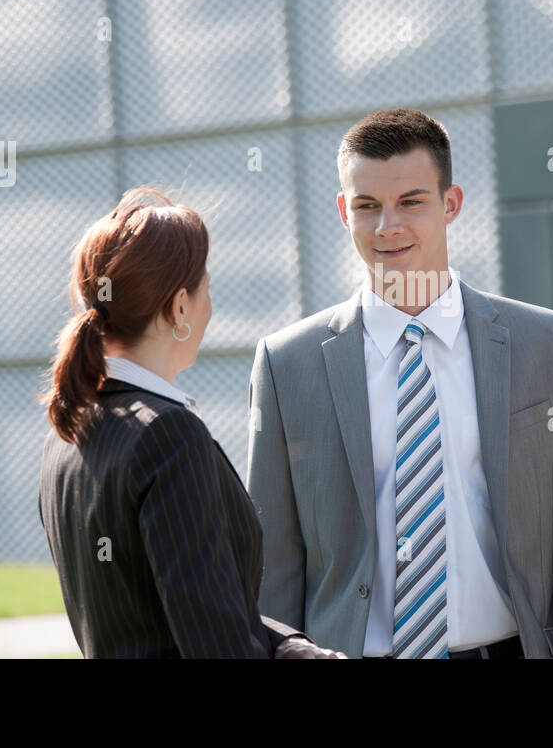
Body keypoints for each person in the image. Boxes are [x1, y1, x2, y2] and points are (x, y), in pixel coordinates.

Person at [246, 109, 553, 659]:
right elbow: (272, 570)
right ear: (343, 212)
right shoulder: (288, 365)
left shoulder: (545, 344)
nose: (388, 227)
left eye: (410, 201)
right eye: (367, 206)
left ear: (450, 204)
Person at [38, 187, 343, 659]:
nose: (210, 306)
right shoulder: (167, 436)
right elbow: (214, 642)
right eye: (205, 288)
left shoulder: (69, 431)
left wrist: (297, 650)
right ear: (179, 308)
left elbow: (194, 606)